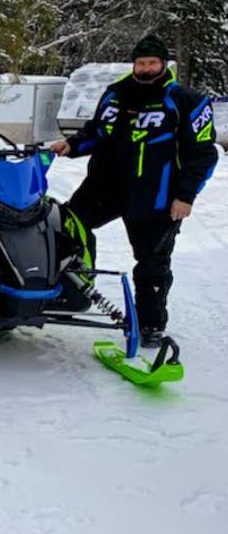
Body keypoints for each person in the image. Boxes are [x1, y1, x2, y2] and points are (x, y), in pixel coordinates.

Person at [50, 34, 217, 348]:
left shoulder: (186, 100)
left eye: (152, 63)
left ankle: (151, 326)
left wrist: (186, 196)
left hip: (157, 195)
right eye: (141, 63)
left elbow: (203, 154)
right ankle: (67, 291)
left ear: (163, 65)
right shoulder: (116, 93)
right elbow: (99, 131)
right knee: (65, 228)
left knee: (152, 264)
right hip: (105, 186)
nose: (145, 69)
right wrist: (72, 144)